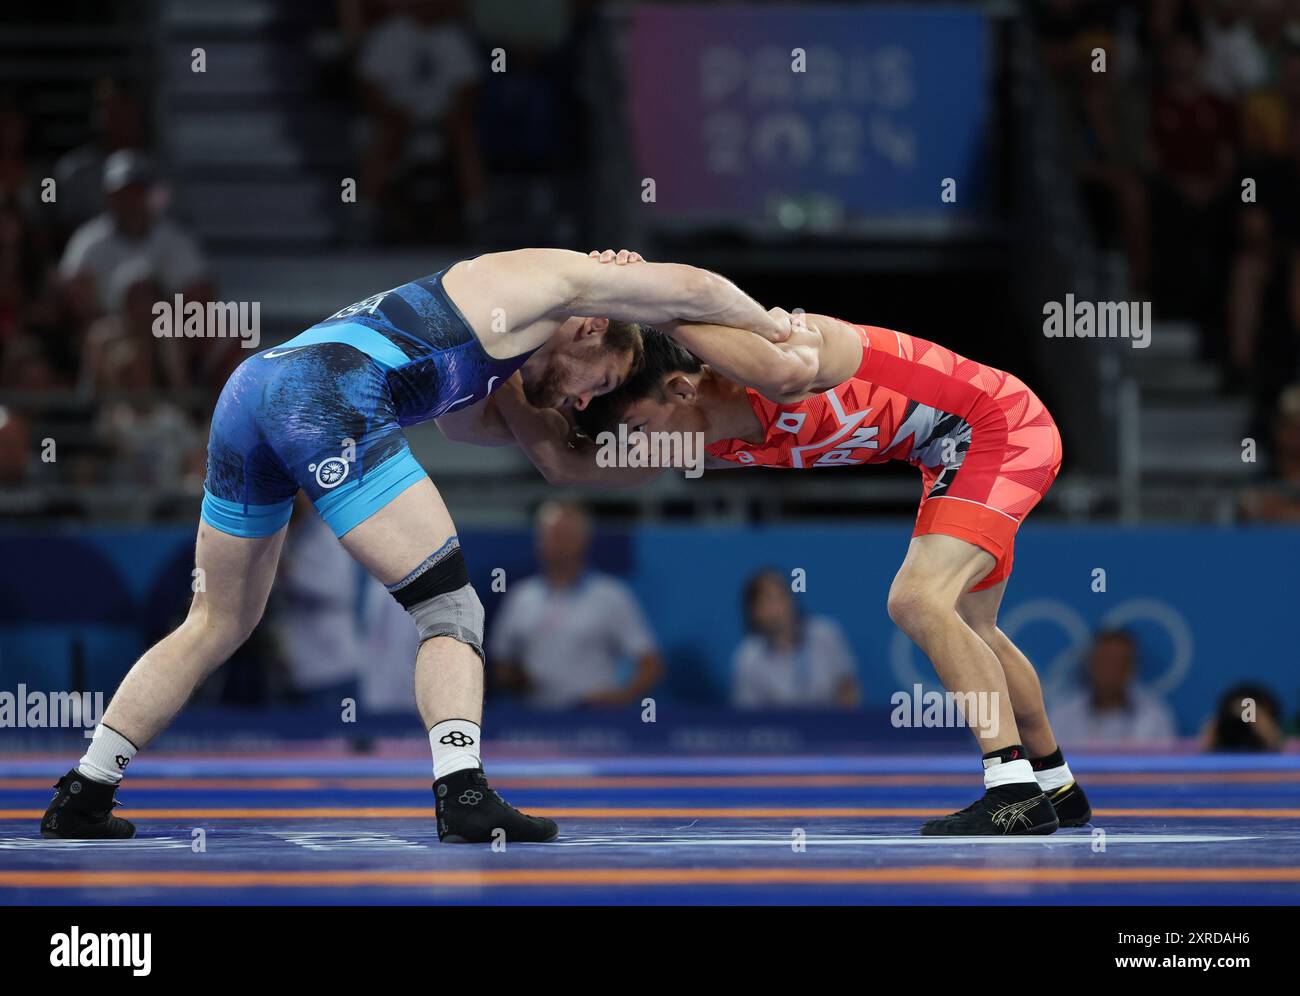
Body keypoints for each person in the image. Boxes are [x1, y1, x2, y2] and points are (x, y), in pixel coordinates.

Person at [39, 247, 785, 844]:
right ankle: (462, 794)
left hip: (256, 389)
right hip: (327, 393)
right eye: (604, 380)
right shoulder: (554, 281)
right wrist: (771, 333)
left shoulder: (503, 353)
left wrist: (552, 408)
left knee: (215, 622)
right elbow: (692, 287)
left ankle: (85, 788)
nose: (588, 399)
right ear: (594, 327)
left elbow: (540, 454)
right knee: (451, 608)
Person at [486, 255, 1092, 835]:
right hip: (950, 451)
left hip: (998, 425)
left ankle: (1011, 791)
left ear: (679, 386)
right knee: (972, 628)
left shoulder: (781, 347)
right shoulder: (690, 441)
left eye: (640, 428)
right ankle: (1055, 783)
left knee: (916, 601)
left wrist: (639, 292)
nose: (640, 447)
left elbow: (776, 366)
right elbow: (563, 466)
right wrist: (491, 371)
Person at [490, 501, 662, 708]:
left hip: (593, 717)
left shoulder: (610, 595)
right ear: (539, 541)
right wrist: (517, 679)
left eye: (565, 536)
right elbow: (500, 661)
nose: (558, 544)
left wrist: (621, 697)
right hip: (534, 718)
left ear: (584, 540)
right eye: (552, 535)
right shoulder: (522, 596)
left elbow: (650, 663)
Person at [730, 569, 859, 710]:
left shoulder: (826, 634)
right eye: (769, 600)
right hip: (778, 730)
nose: (779, 606)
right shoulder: (748, 658)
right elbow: (749, 716)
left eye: (782, 595)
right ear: (754, 612)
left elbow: (848, 690)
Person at [1049, 629, 1177, 746]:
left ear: (1132, 667)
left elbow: (1166, 766)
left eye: (1120, 662)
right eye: (1106, 661)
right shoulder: (1062, 715)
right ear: (1091, 663)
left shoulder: (1155, 715)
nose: (1112, 670)